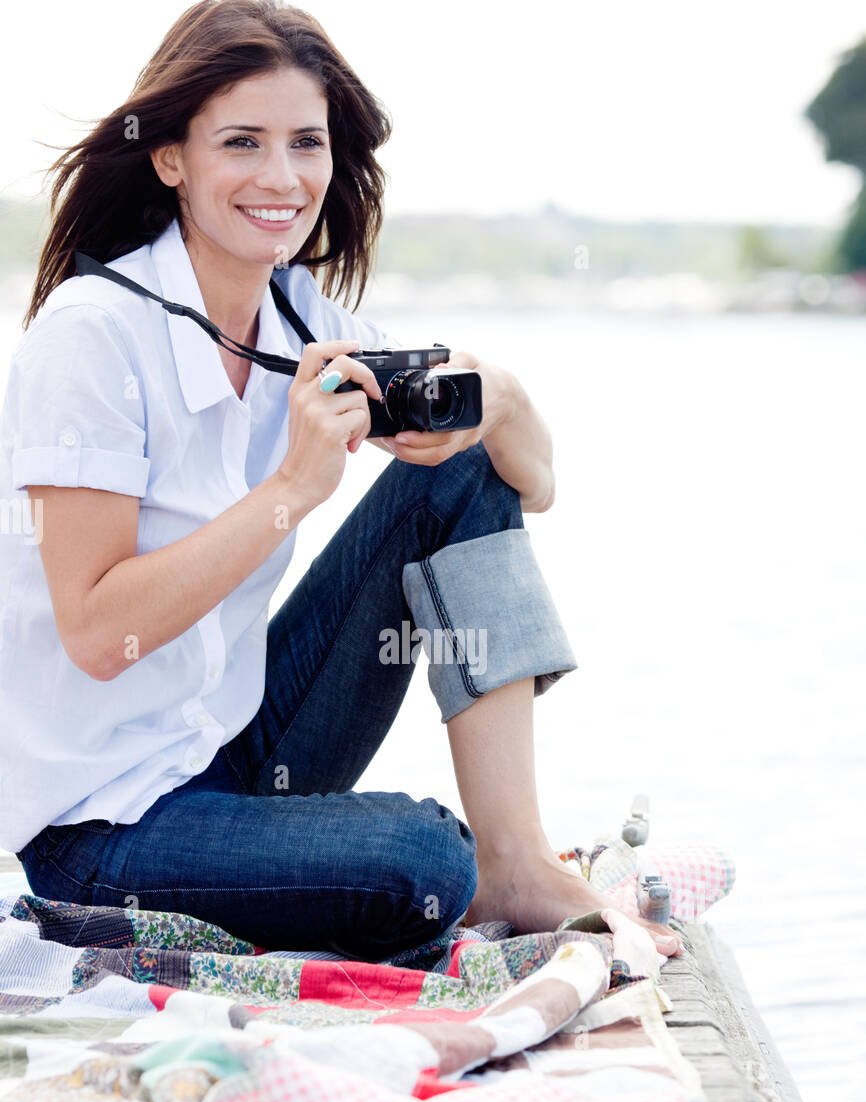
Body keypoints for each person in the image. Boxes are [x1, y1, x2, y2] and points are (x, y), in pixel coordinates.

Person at [1, 0, 681, 963]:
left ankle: (518, 858)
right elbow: (98, 635)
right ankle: (470, 866)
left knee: (457, 470)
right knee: (419, 864)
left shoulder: (298, 311)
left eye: (305, 144)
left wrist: (506, 395)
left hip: (230, 755)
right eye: (242, 142)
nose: (281, 178)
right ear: (170, 158)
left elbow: (528, 484)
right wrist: (293, 483)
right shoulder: (92, 335)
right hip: (102, 829)